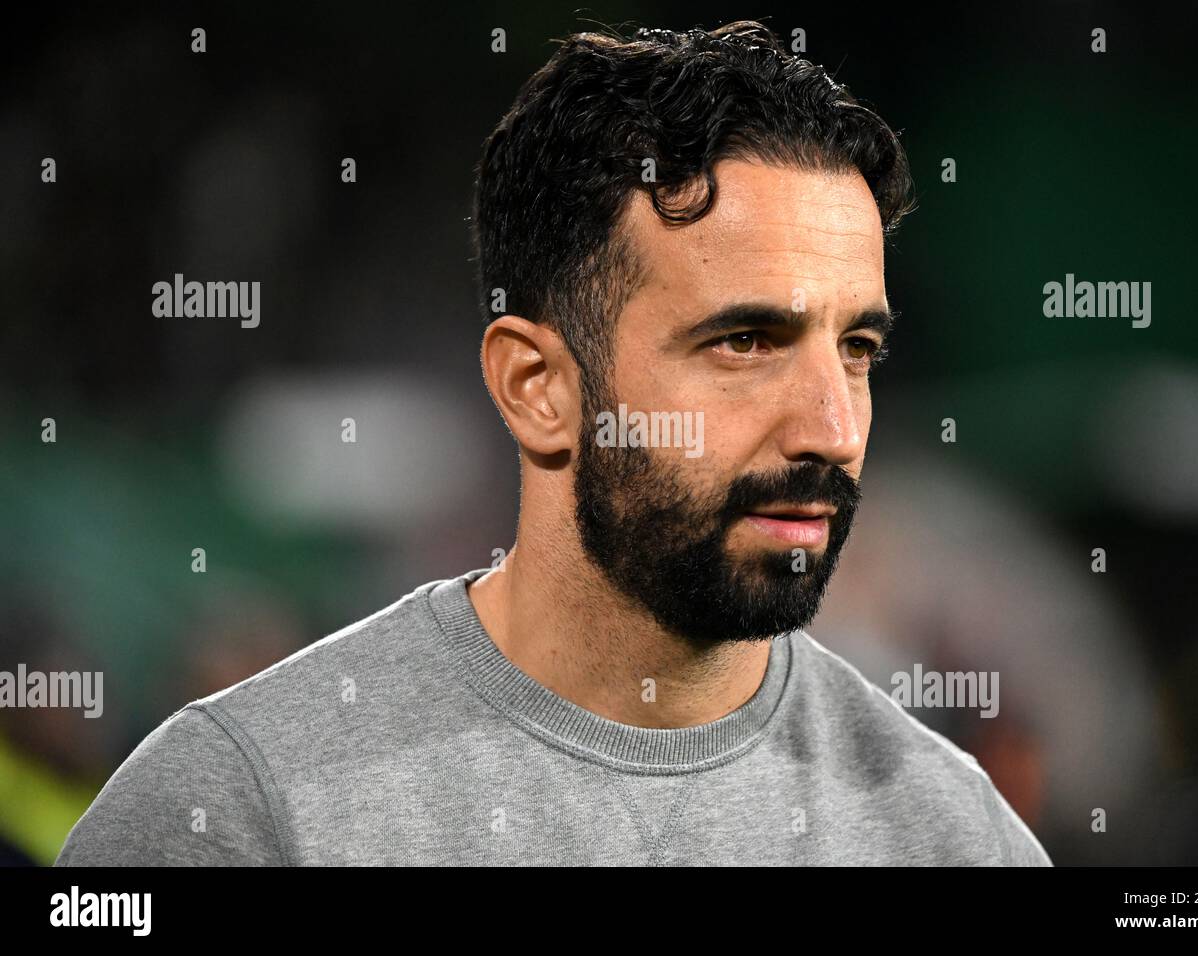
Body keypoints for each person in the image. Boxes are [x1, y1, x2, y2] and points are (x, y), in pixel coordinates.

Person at [56, 20, 1050, 866]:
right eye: (745, 341)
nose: (832, 429)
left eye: (857, 348)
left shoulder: (951, 835)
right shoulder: (241, 809)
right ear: (537, 388)